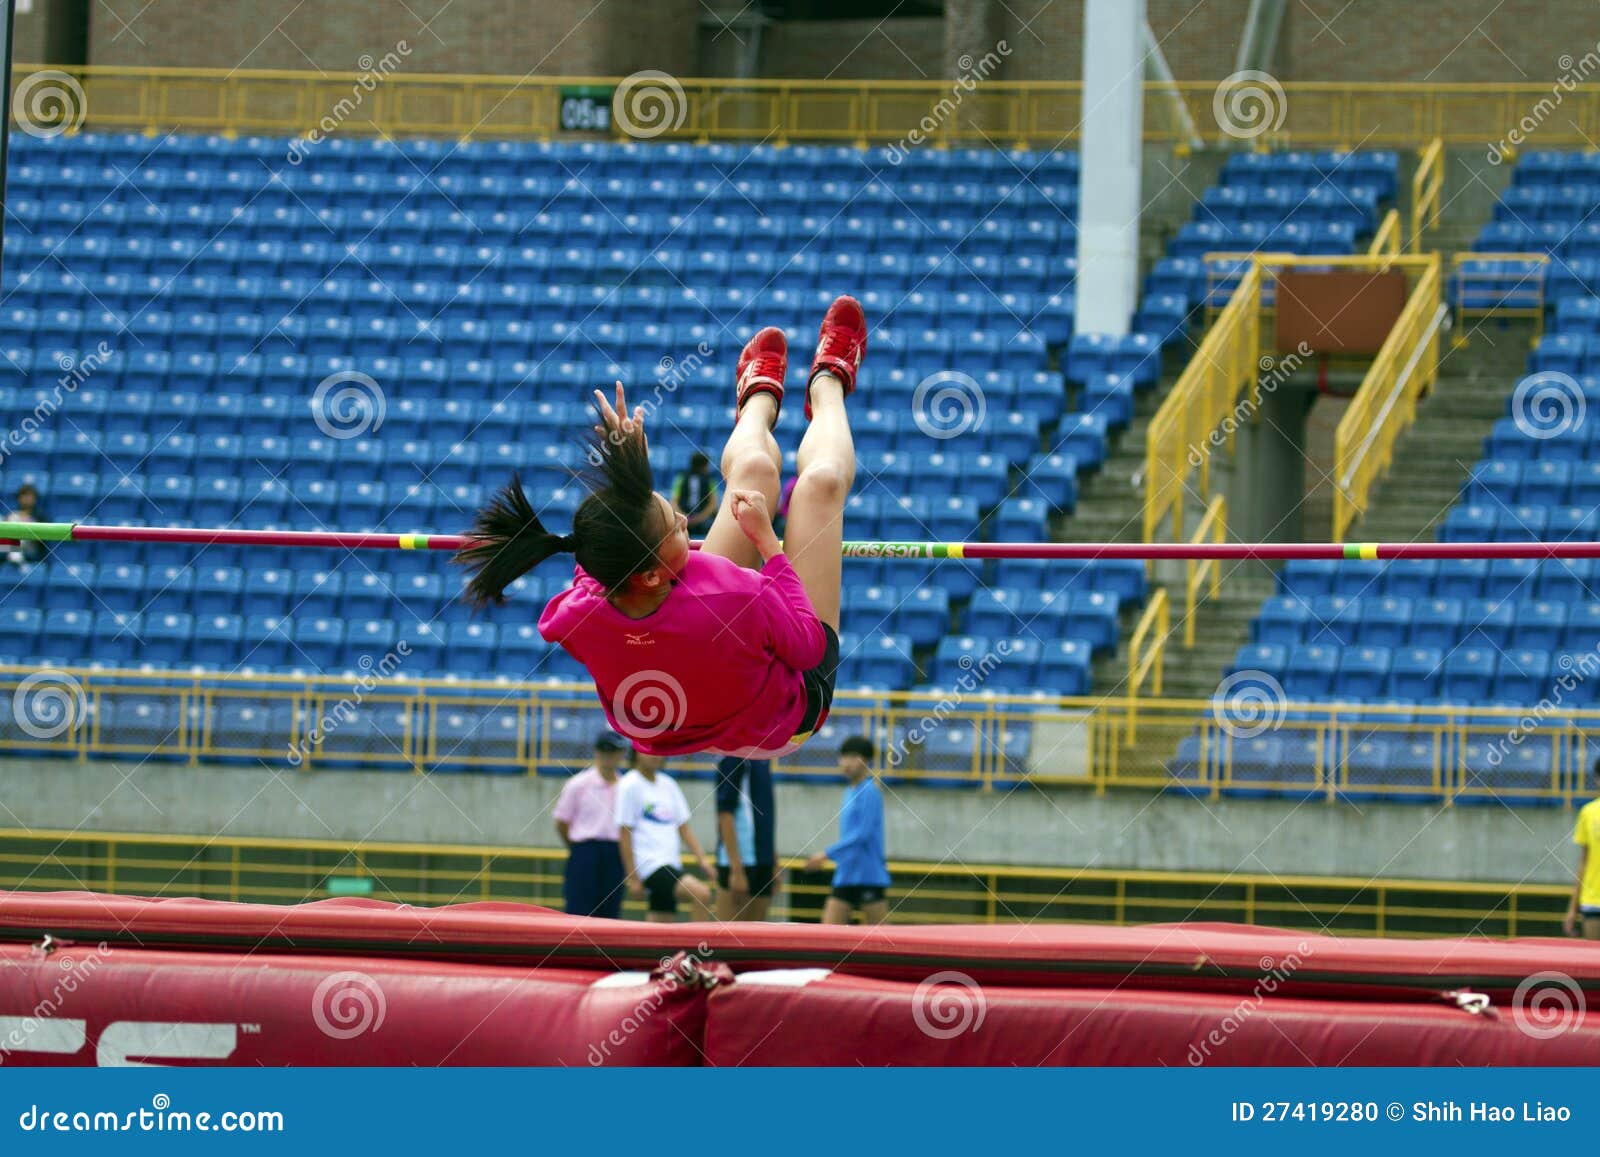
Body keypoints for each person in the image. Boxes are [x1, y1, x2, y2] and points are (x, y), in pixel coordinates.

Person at [457, 295, 864, 761]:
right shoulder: (733, 594)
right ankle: (829, 381)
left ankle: (758, 399)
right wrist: (770, 545)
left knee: (755, 470)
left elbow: (606, 536)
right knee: (819, 486)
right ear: (650, 574)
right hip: (781, 722)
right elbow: (809, 647)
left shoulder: (581, 609)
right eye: (677, 527)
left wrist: (630, 470)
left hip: (706, 678)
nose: (687, 521)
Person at [615, 751, 714, 923]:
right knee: (701, 894)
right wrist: (633, 878)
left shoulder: (668, 784)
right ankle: (697, 948)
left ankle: (652, 950)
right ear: (636, 753)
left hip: (671, 862)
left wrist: (702, 860)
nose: (655, 756)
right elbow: (625, 834)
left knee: (661, 921)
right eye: (648, 751)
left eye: (659, 752)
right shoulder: (629, 784)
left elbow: (684, 828)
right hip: (650, 865)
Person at [805, 736, 890, 925]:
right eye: (843, 757)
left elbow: (862, 834)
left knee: (882, 939)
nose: (846, 762)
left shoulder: (870, 792)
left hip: (869, 874)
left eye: (853, 757)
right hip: (846, 873)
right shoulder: (849, 792)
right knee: (827, 932)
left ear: (866, 761)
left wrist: (826, 854)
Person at [552, 729, 627, 918]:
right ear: (595, 751)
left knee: (610, 911)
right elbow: (562, 821)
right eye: (603, 749)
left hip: (615, 853)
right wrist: (577, 847)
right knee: (579, 909)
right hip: (585, 850)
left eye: (612, 750)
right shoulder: (578, 784)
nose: (607, 755)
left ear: (621, 753)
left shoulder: (627, 787)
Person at [715, 756, 776, 921]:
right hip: (740, 862)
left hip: (763, 859)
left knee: (755, 941)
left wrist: (773, 861)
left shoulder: (764, 758)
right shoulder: (732, 757)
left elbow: (766, 816)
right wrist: (736, 870)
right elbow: (725, 813)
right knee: (726, 939)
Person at [1564, 756, 1600, 939]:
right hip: (1593, 899)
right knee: (1595, 961)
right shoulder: (1588, 812)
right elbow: (1583, 862)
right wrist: (1573, 908)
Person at [671, 450, 719, 537]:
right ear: (704, 465)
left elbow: (674, 502)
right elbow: (713, 504)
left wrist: (684, 517)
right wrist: (699, 518)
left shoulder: (681, 478)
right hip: (704, 523)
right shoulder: (710, 480)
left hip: (684, 522)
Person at [4, 484, 47, 567]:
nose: (27, 498)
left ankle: (15, 553)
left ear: (35, 499)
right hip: (9, 548)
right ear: (19, 498)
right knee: (13, 517)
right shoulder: (12, 514)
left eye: (30, 495)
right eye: (24, 495)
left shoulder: (40, 517)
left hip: (31, 547)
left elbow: (41, 541)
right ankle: (15, 553)